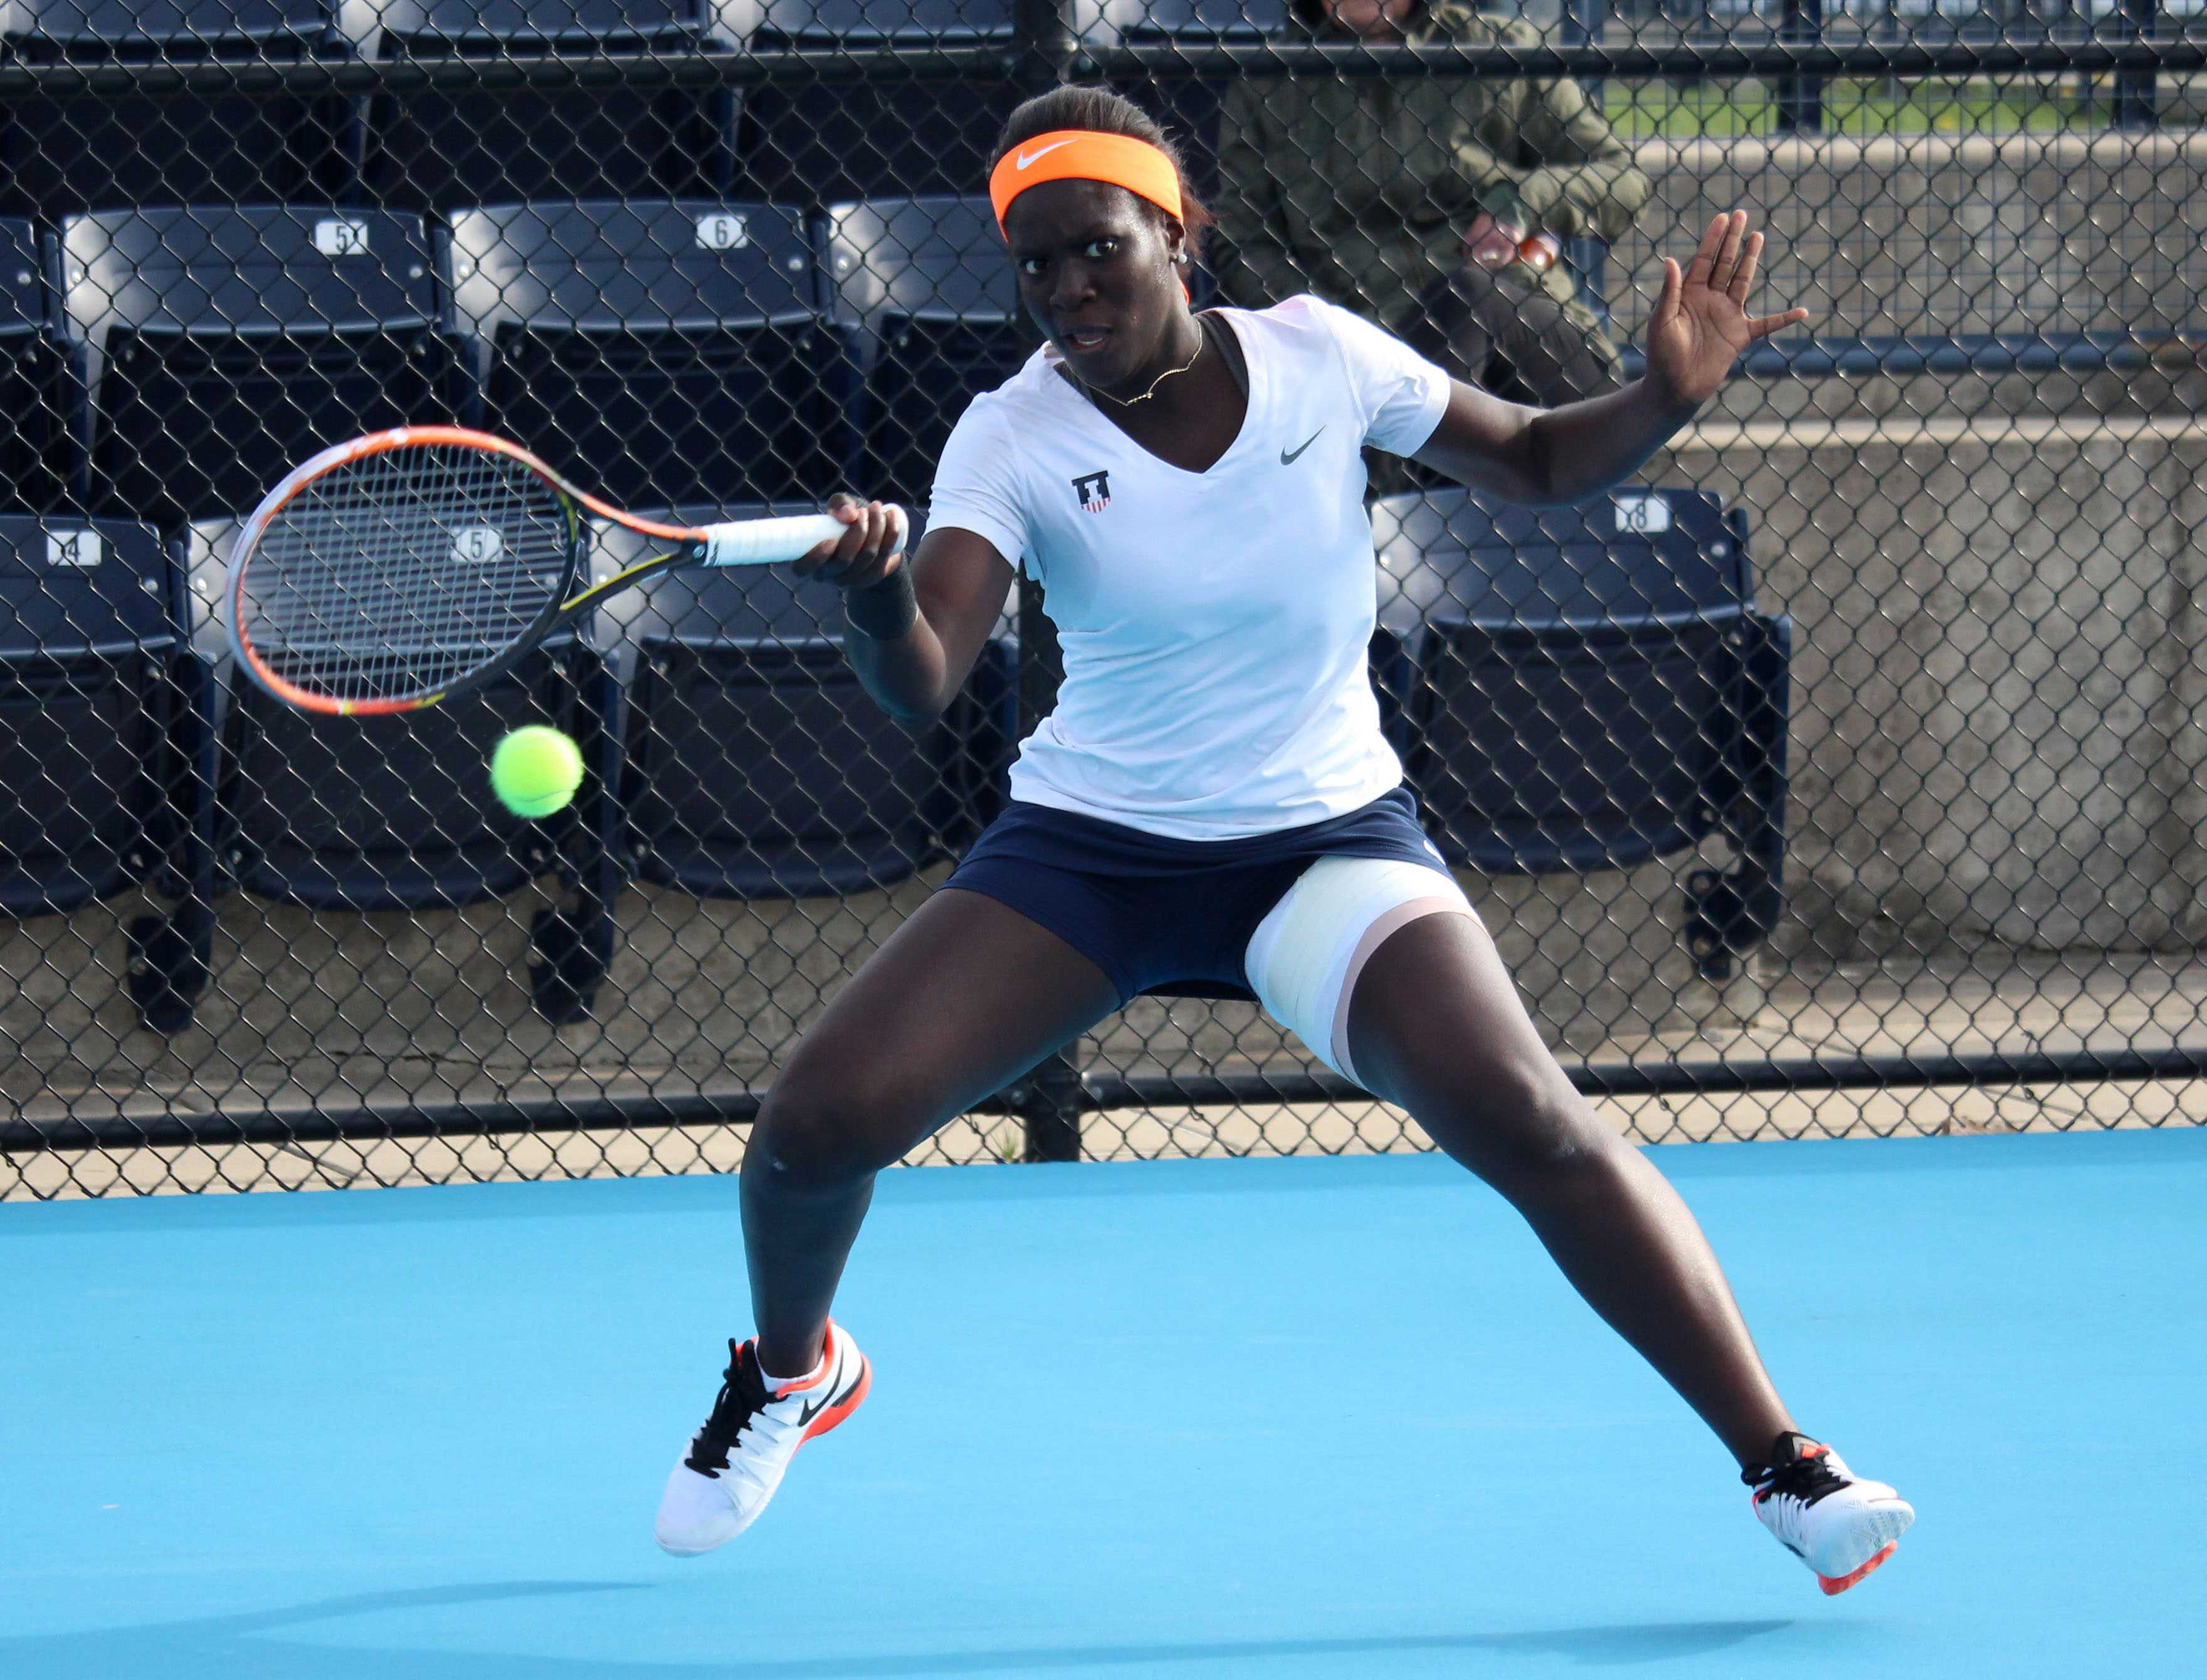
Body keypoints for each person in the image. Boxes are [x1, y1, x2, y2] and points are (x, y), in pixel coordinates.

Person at [653, 85, 1915, 1597]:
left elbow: (1525, 459)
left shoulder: (1320, 352)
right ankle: (791, 1370)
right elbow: (924, 677)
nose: (1064, 288)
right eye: (1032, 264)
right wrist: (873, 591)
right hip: (1091, 852)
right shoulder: (1011, 435)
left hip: (1322, 844)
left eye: (1095, 248)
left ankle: (1785, 1464)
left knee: (1530, 1119)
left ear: (1173, 233)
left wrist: (1663, 395)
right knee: (810, 1122)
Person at [1212, 0, 1649, 409]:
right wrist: (1325, 327)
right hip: (1363, 351)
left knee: (1468, 296)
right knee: (1412, 375)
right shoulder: (1269, 81)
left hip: (1521, 324)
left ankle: (1392, 476)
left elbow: (1622, 178)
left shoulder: (1498, 50)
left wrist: (1519, 202)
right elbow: (1241, 242)